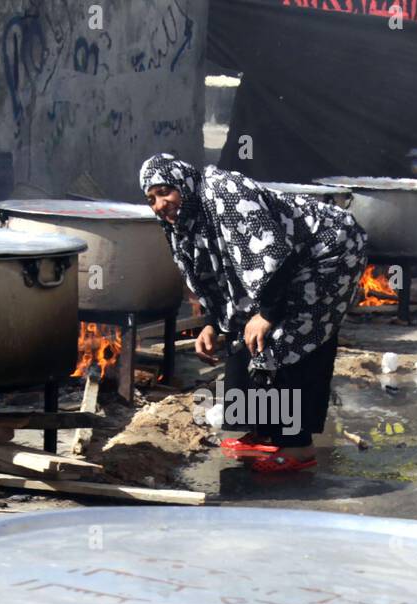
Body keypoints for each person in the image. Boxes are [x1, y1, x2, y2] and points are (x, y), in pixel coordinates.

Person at [140, 153, 367, 473]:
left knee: (290, 335)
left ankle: (297, 445)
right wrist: (211, 322)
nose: (160, 204)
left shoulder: (225, 193)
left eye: (164, 191)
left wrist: (269, 314)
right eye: (151, 199)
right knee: (241, 327)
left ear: (182, 181)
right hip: (287, 261)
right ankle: (263, 429)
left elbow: (272, 255)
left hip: (328, 251)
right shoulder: (185, 219)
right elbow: (209, 270)